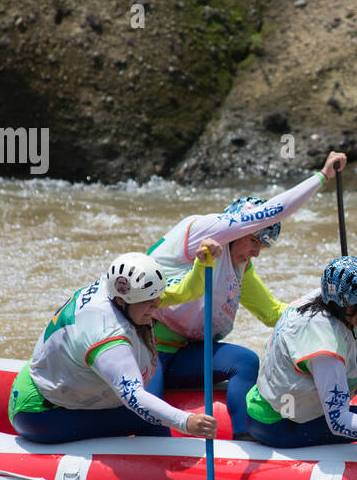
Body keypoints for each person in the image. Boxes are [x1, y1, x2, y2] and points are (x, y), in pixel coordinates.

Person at [146, 151, 346, 438]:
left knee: (245, 361)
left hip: (187, 352)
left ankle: (245, 437)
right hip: (148, 348)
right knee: (148, 419)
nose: (256, 251)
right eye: (254, 240)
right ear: (236, 230)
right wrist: (322, 176)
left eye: (263, 246)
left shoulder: (242, 268)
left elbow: (274, 314)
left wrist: (329, 313)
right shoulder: (198, 232)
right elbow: (278, 209)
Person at [10, 249, 221, 444]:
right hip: (41, 412)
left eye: (157, 297)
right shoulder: (107, 335)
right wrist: (186, 421)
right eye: (149, 301)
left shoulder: (119, 287)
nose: (156, 305)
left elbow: (183, 293)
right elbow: (133, 397)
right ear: (122, 302)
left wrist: (201, 265)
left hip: (55, 378)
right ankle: (158, 476)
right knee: (147, 419)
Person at [245, 256, 357, 448]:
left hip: (289, 406)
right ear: (340, 304)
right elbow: (338, 422)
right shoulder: (324, 349)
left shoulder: (345, 296)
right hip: (280, 423)